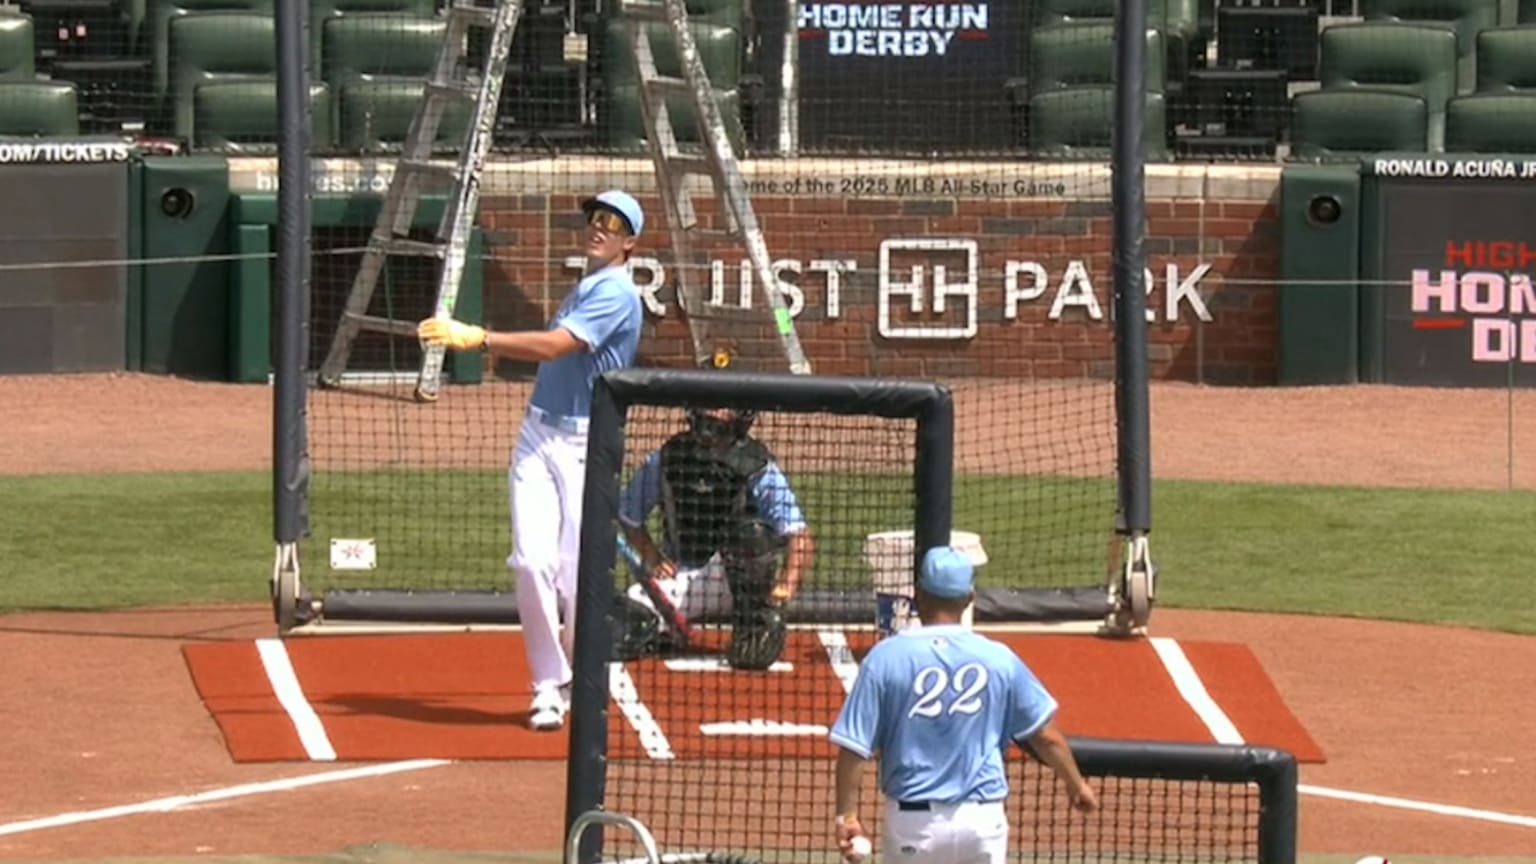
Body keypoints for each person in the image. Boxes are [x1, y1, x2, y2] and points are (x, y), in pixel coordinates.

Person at [416, 189, 646, 732]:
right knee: (530, 561)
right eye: (595, 218)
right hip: (538, 436)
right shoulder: (588, 283)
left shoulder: (616, 294)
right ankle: (548, 683)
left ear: (629, 242)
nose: (599, 228)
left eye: (613, 224)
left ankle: (577, 675)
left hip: (587, 445)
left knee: (575, 575)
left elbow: (554, 347)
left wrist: (479, 337)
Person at [828, 546, 1098, 864]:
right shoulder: (1000, 659)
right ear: (969, 598)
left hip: (914, 826)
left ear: (918, 595)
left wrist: (846, 816)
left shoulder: (885, 658)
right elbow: (1046, 737)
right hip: (982, 824)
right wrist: (1076, 784)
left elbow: (853, 748)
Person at [615, 404, 815, 670]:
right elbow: (629, 516)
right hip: (686, 579)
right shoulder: (670, 456)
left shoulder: (755, 465)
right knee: (627, 621)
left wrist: (785, 588)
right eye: (708, 406)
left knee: (752, 535)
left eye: (723, 409)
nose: (713, 414)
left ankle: (753, 624)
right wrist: (653, 557)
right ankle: (663, 632)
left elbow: (799, 534)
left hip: (744, 580)